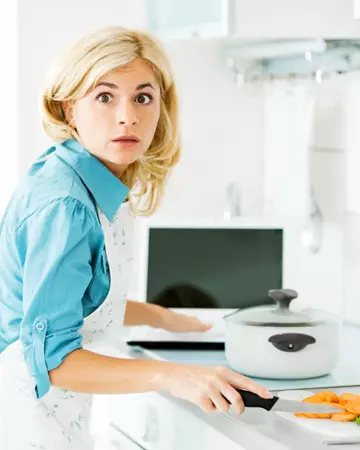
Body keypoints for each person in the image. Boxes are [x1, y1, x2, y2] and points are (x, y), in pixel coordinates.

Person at [0, 26, 272, 449]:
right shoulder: (65, 206)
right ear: (69, 108)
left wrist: (160, 317)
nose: (127, 115)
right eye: (105, 96)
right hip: (26, 422)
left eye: (142, 97)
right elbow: (52, 359)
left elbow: (77, 297)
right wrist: (173, 375)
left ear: (161, 107)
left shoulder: (86, 177)